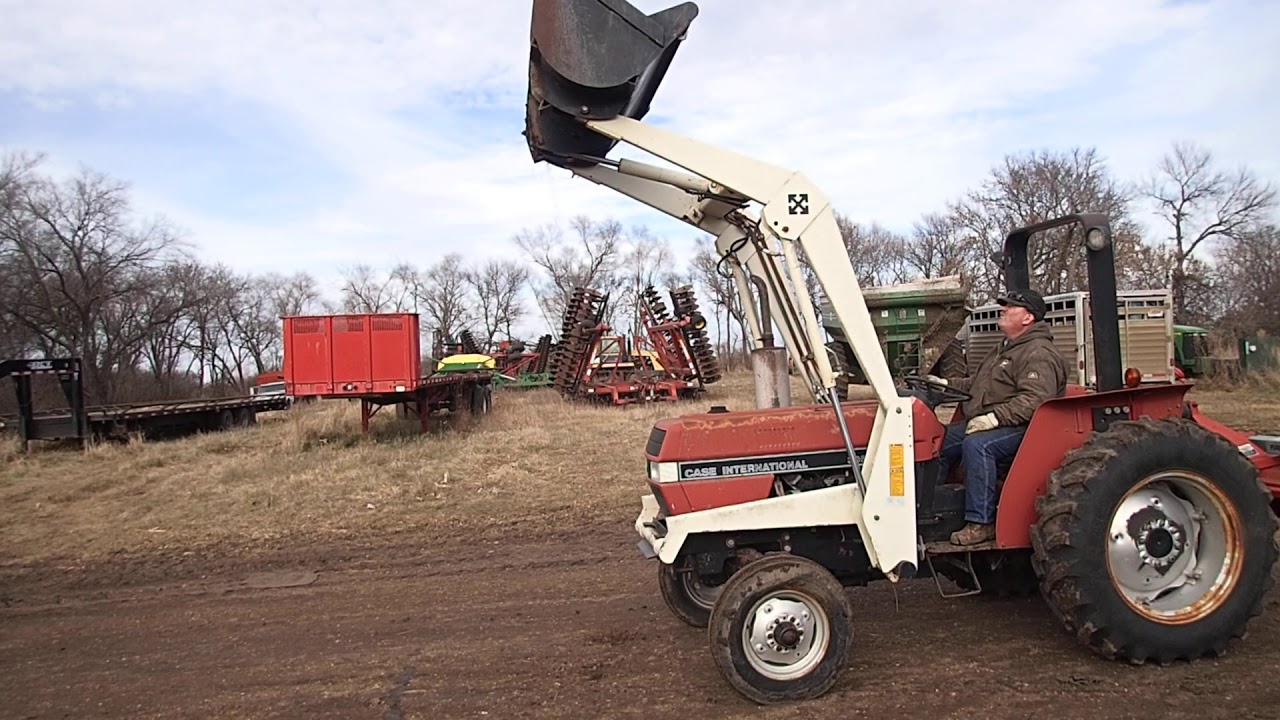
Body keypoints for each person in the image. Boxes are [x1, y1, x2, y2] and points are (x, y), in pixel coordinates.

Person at [928, 288, 1069, 546]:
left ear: (1028, 318)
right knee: (937, 439)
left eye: (1011, 306)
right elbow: (978, 384)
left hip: (1027, 428)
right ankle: (930, 510)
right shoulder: (1006, 348)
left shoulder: (1038, 353)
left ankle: (981, 522)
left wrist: (993, 419)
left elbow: (1035, 400)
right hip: (997, 420)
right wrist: (944, 383)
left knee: (978, 445)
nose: (1003, 309)